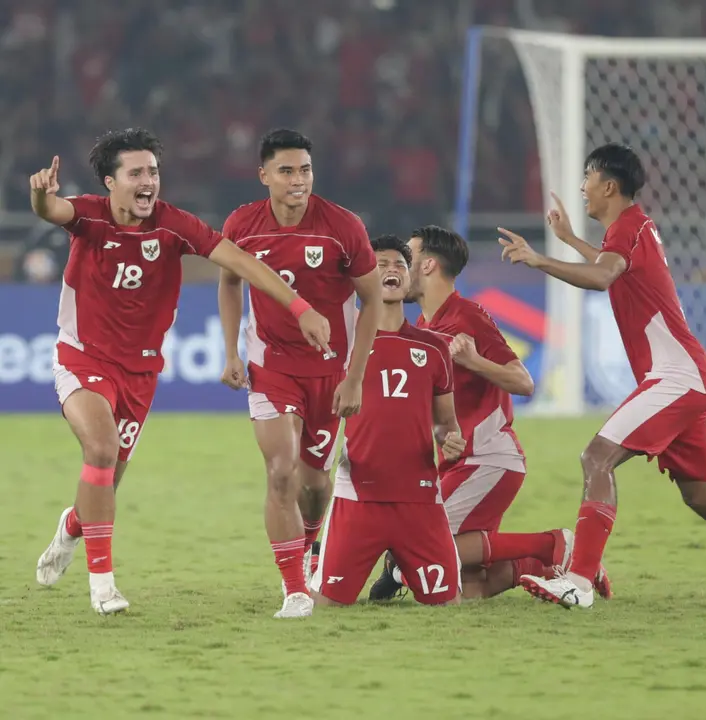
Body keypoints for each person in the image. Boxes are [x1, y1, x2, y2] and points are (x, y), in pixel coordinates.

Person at [31, 129, 330, 615]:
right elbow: (52, 210)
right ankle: (103, 586)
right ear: (110, 182)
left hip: (141, 372)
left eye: (153, 172)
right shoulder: (89, 216)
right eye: (136, 173)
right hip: (82, 356)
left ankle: (72, 526)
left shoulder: (173, 225)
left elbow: (242, 263)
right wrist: (39, 196)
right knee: (101, 449)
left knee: (105, 482)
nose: (148, 181)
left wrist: (299, 308)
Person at [499, 142, 706, 609]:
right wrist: (569, 241)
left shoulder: (628, 228)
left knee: (596, 458)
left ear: (608, 186)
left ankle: (578, 582)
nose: (582, 188)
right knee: (702, 496)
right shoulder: (632, 229)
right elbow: (609, 265)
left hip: (676, 377)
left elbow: (602, 277)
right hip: (689, 377)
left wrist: (539, 259)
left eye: (587, 178)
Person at [218, 128, 383, 619]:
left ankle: (310, 547)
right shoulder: (243, 224)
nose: (298, 180)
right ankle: (294, 588)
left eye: (305, 170)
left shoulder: (342, 226)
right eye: (287, 171)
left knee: (314, 486)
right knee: (281, 472)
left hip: (330, 374)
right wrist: (231, 351)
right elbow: (229, 281)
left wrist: (354, 378)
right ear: (264, 175)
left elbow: (372, 300)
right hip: (271, 367)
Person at [367, 225, 578, 602]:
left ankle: (553, 545)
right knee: (461, 589)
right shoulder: (423, 328)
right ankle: (531, 567)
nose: (398, 266)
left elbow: (524, 382)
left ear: (428, 265)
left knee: (415, 549)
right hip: (456, 464)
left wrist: (475, 360)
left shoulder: (467, 316)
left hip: (487, 460)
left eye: (407, 257)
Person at [308, 234, 466, 608]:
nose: (391, 270)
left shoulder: (434, 348)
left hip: (420, 498)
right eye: (380, 264)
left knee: (447, 606)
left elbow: (446, 423)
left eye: (399, 264)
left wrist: (450, 440)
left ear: (409, 278)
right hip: (358, 495)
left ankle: (382, 568)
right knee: (326, 606)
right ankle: (314, 560)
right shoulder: (343, 345)